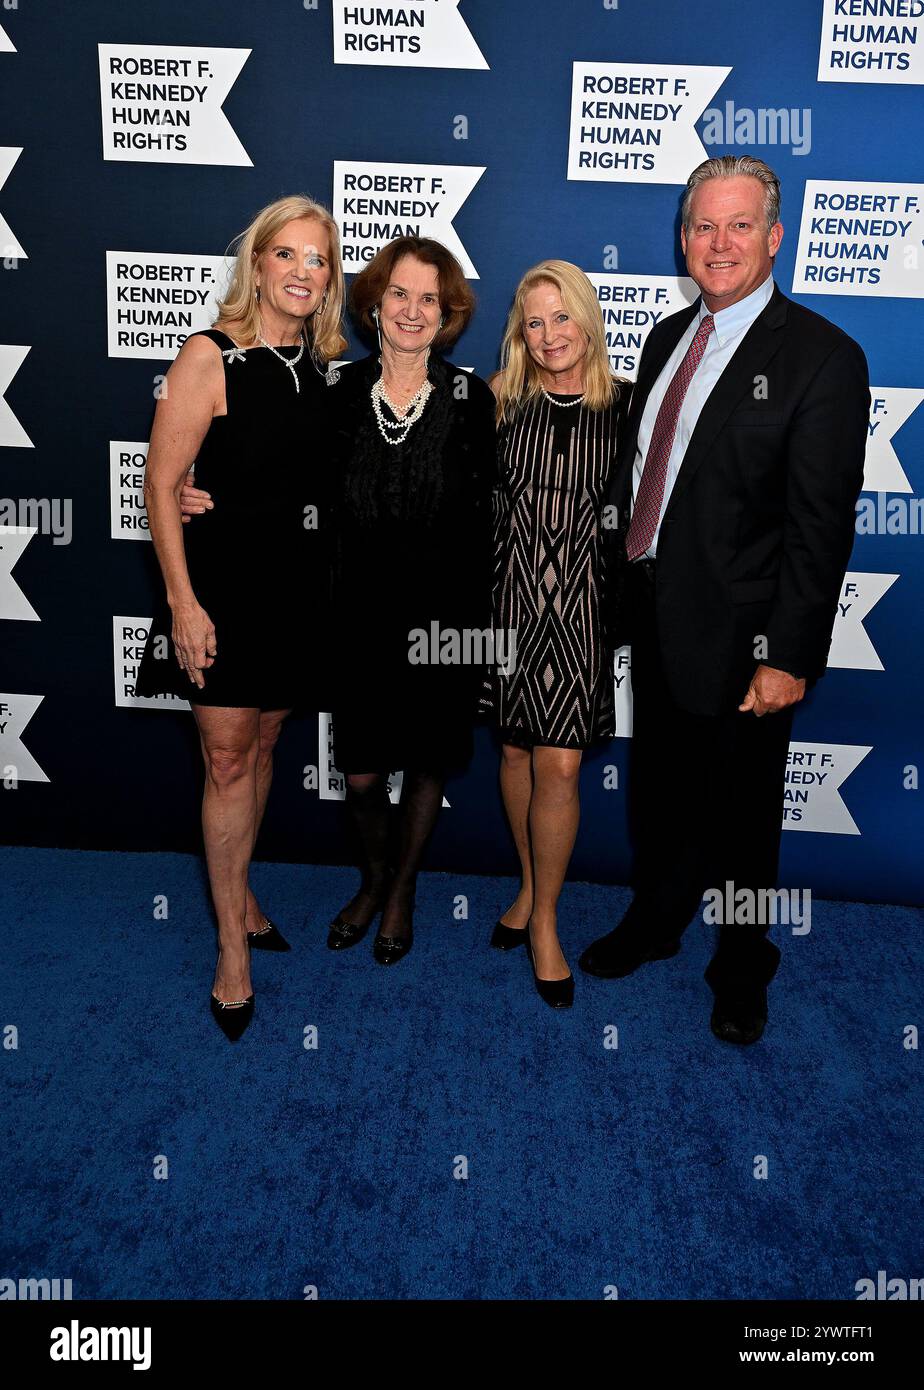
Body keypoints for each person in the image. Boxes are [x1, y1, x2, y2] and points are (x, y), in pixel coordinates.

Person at [580, 155, 870, 1044]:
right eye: (703, 225)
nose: (719, 243)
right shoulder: (669, 336)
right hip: (656, 616)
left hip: (748, 641)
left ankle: (744, 964)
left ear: (775, 237)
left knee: (745, 817)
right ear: (682, 237)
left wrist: (789, 656)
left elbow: (820, 529)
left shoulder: (824, 358)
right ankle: (657, 922)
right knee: (661, 795)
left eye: (739, 225)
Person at [136, 195, 347, 1040]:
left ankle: (246, 892)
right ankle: (232, 949)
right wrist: (183, 604)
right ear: (256, 263)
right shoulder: (209, 355)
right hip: (219, 594)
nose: (303, 271)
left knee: (263, 745)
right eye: (287, 254)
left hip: (296, 597)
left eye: (319, 259)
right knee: (227, 758)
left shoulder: (328, 370)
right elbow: (159, 484)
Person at [323, 237, 497, 965]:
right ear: (374, 302)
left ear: (447, 313)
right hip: (357, 616)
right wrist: (196, 490)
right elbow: (292, 490)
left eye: (430, 298)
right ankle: (373, 878)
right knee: (361, 771)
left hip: (443, 619)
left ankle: (401, 894)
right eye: (400, 293)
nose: (413, 310)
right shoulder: (335, 392)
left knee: (426, 763)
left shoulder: (470, 398)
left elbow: (489, 519)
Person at [480, 261, 626, 1008]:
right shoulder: (498, 402)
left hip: (583, 612)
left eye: (561, 317)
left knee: (560, 767)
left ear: (587, 319)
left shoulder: (628, 407)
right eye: (533, 322)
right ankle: (529, 886)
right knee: (512, 749)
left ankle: (545, 922)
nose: (548, 335)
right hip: (507, 606)